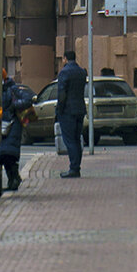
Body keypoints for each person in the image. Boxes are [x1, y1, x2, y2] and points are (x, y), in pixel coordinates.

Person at [56, 49, 87, 178]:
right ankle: (76, 167)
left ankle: (74, 168)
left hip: (68, 110)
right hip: (80, 109)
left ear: (65, 59)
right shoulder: (81, 72)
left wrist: (59, 109)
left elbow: (62, 93)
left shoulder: (64, 72)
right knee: (76, 139)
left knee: (70, 140)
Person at [0, 69, 23, 191]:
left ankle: (14, 179)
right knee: (5, 155)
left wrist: (14, 106)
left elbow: (26, 100)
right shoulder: (0, 89)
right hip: (5, 126)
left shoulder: (12, 88)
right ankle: (13, 179)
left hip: (12, 126)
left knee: (9, 154)